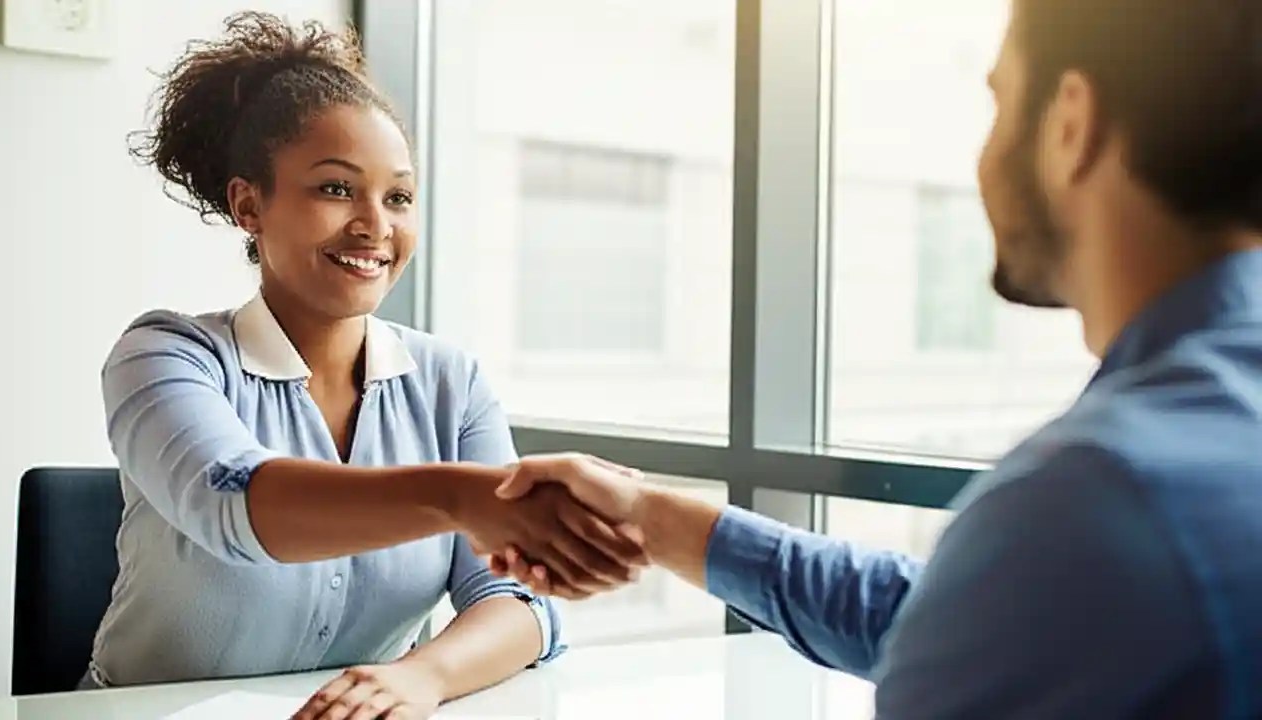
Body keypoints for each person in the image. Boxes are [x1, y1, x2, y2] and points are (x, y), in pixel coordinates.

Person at [490, 0, 1262, 715]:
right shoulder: (1182, 461)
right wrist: (653, 521)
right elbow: (964, 618)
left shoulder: (1099, 499)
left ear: (1070, 124)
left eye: (998, 102)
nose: (985, 153)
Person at [89, 12, 642, 720]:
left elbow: (518, 604)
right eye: (335, 188)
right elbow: (235, 504)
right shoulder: (165, 356)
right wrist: (462, 497)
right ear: (249, 204)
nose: (376, 225)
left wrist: (419, 677)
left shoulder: (451, 382)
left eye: (399, 197)